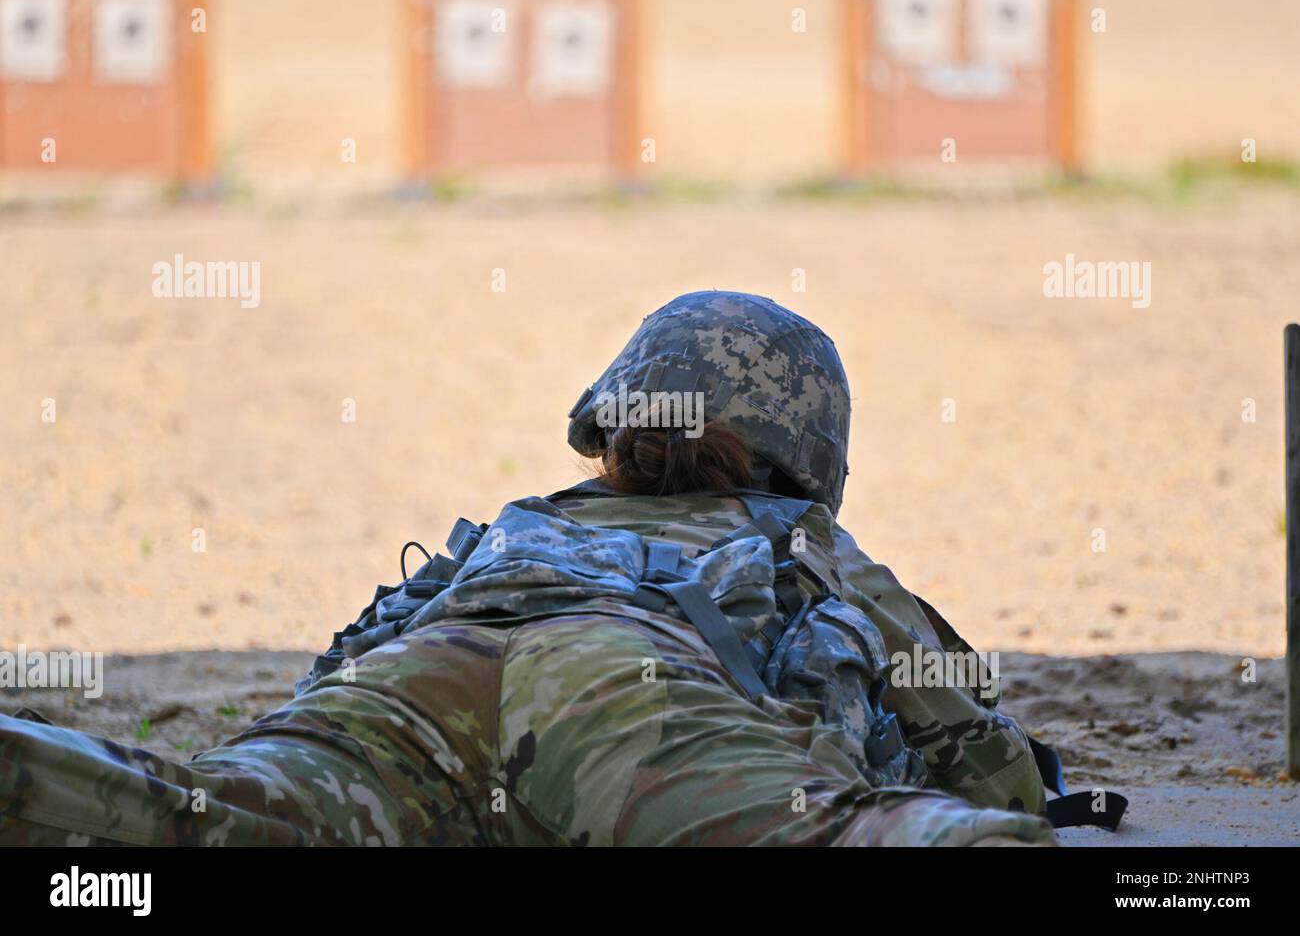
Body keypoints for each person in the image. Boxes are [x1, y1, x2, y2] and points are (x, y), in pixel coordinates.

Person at [0, 290, 1054, 846]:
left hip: (424, 679)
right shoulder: (806, 541)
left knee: (191, 815)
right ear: (812, 448)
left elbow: (334, 673)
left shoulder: (513, 525)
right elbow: (977, 759)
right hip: (626, 698)